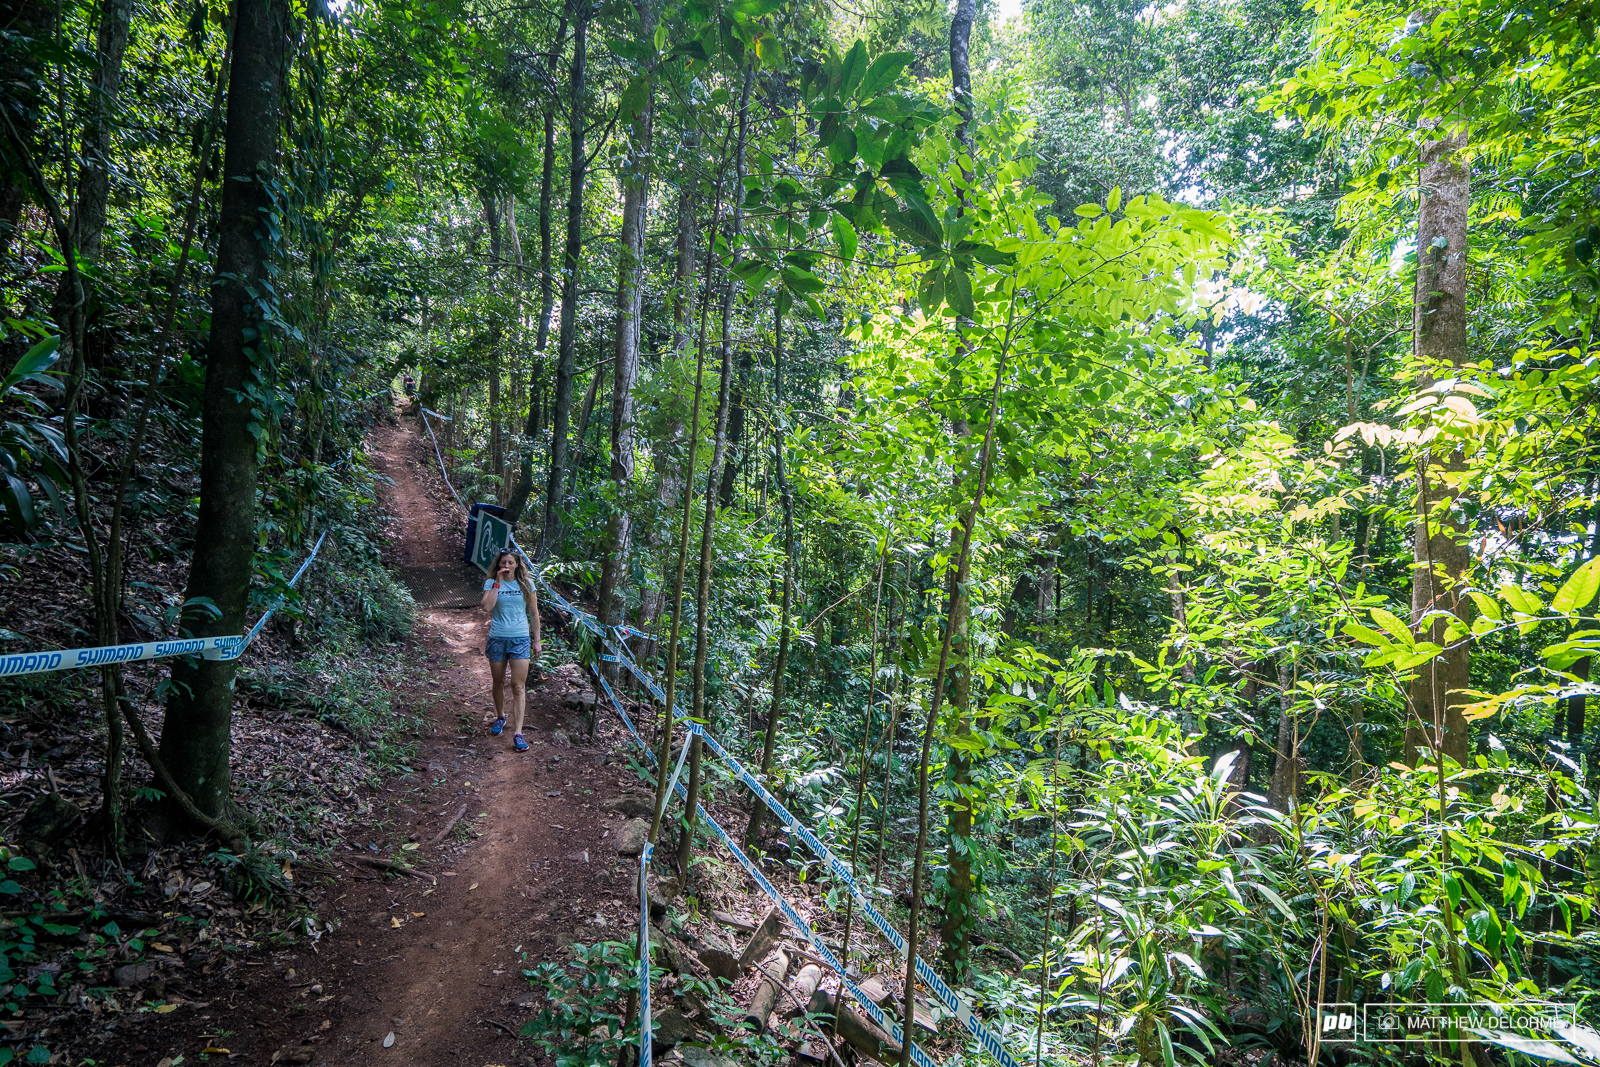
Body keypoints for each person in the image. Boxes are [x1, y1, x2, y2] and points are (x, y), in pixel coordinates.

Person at [480, 549, 541, 752]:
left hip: (520, 638)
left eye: (510, 562)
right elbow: (487, 607)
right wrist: (497, 582)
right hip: (497, 638)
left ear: (517, 565)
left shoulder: (526, 584)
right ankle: (500, 716)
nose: (506, 566)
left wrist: (537, 641)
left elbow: (533, 613)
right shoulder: (491, 583)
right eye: (502, 563)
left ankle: (518, 733)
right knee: (498, 682)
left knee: (518, 686)